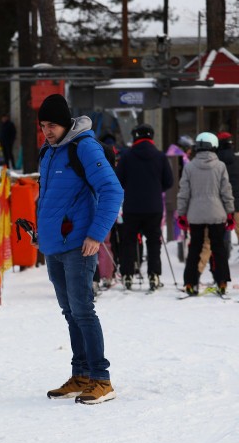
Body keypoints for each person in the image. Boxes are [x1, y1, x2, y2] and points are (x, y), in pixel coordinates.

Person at [35, 94, 123, 405]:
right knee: (70, 312)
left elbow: (112, 190)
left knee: (83, 311)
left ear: (66, 122)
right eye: (43, 125)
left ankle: (101, 378)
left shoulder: (83, 147)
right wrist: (40, 235)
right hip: (54, 246)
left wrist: (97, 235)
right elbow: (47, 199)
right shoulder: (48, 152)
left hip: (79, 246)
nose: (47, 130)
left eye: (52, 125)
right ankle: (81, 373)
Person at [115, 123, 173, 291]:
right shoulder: (160, 156)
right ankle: (154, 275)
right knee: (154, 241)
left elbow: (118, 180)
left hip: (132, 206)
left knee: (128, 241)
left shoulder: (127, 156)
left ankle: (127, 274)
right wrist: (155, 189)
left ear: (135, 137)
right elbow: (168, 181)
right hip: (154, 207)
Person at [177, 132, 234, 296]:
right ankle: (221, 281)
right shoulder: (220, 166)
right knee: (218, 248)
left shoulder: (189, 167)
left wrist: (182, 214)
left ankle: (190, 282)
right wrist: (230, 212)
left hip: (195, 214)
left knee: (195, 247)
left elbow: (184, 193)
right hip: (217, 213)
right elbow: (226, 192)